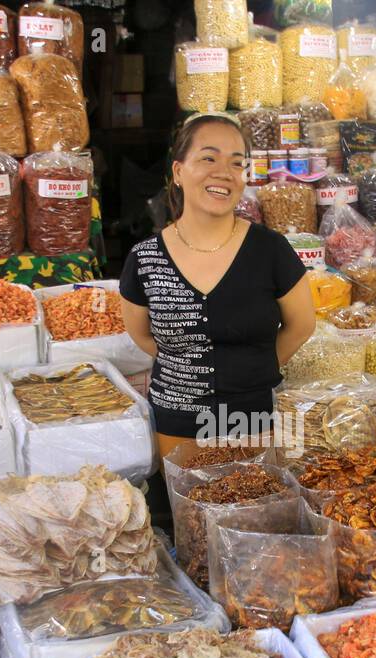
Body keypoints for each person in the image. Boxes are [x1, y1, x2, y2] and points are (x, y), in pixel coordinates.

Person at [119, 113, 315, 458]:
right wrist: (187, 365)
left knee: (254, 506)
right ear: (178, 172)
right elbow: (142, 335)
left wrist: (252, 368)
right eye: (208, 158)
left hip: (254, 416)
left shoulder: (271, 250)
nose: (223, 172)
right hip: (177, 419)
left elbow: (302, 325)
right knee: (188, 507)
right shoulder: (145, 257)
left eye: (236, 163)